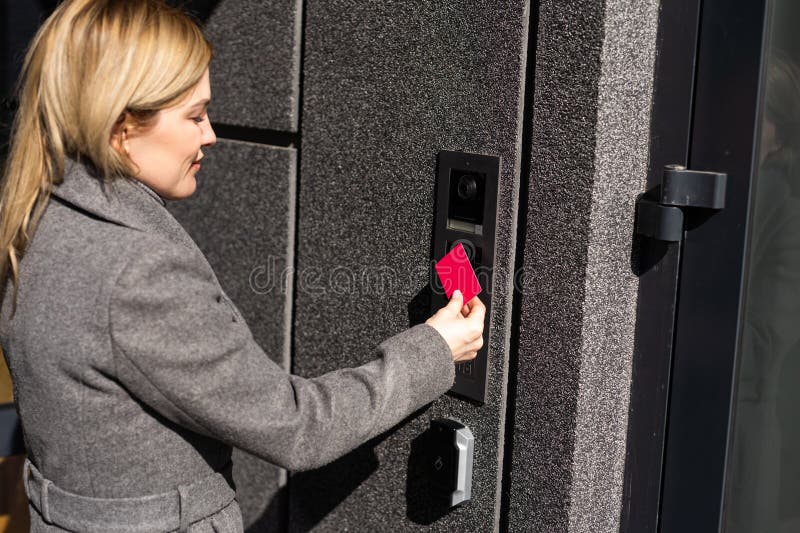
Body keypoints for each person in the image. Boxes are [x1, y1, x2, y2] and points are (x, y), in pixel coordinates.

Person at [0, 1, 486, 531]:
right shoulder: (136, 273)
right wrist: (435, 350)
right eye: (193, 115)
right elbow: (299, 427)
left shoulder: (37, 218)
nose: (209, 134)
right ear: (120, 126)